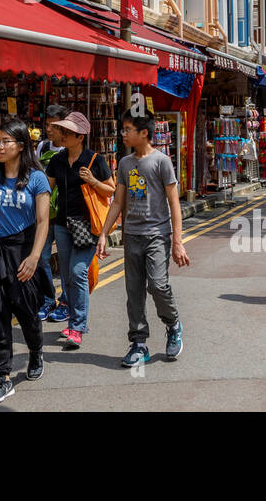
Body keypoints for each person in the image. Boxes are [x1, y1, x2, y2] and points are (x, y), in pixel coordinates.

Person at [97, 112, 188, 366]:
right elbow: (118, 201)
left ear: (144, 133)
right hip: (132, 236)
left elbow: (174, 203)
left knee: (158, 285)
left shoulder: (161, 162)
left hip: (158, 234)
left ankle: (173, 324)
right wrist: (104, 233)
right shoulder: (125, 163)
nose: (123, 134)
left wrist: (178, 242)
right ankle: (138, 343)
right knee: (134, 291)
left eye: (127, 129)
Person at [0, 119, 52, 404]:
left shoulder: (36, 178)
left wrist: (34, 257)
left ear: (21, 146)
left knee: (26, 310)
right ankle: (3, 376)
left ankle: (35, 351)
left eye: (5, 141)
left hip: (24, 250)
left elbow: (44, 221)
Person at [45, 111, 114, 350]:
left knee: (77, 272)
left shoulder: (95, 160)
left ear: (80, 136)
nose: (61, 135)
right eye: (61, 131)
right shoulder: (58, 160)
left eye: (66, 132)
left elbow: (111, 190)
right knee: (67, 277)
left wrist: (93, 181)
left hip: (87, 227)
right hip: (63, 226)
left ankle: (77, 327)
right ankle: (75, 320)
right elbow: (47, 189)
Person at [35, 105, 71, 322]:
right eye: (47, 124)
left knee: (66, 262)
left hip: (64, 214)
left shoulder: (69, 151)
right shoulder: (42, 146)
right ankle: (48, 299)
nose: (49, 129)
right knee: (41, 258)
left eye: (53, 125)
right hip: (44, 212)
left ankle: (66, 301)